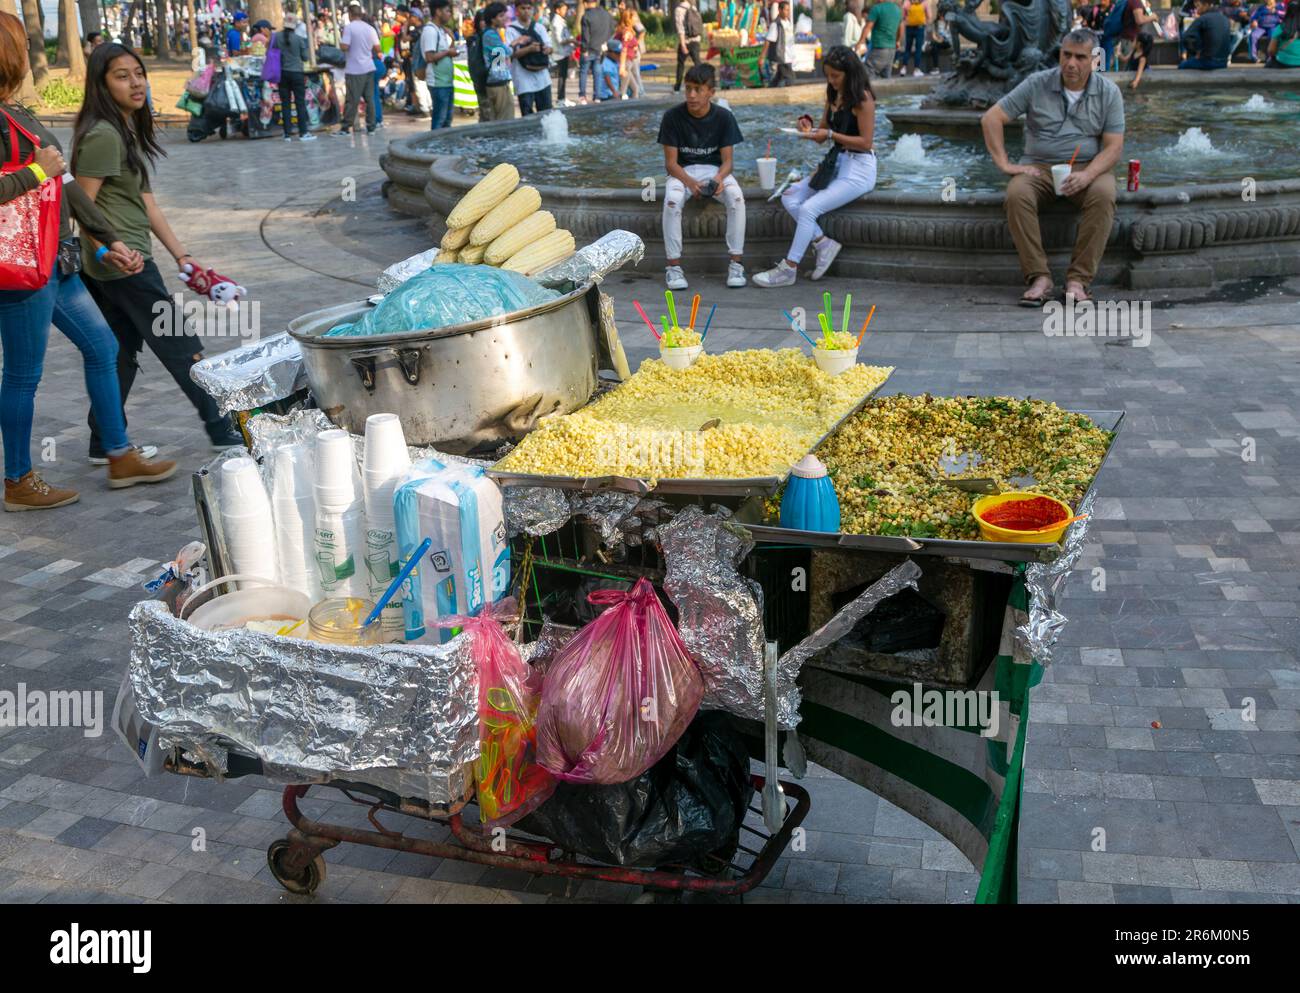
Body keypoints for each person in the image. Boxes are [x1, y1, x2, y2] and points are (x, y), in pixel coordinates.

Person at [0, 15, 176, 509]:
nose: (31, 46)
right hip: (21, 269)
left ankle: (119, 454)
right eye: (23, 42)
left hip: (56, 262)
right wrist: (37, 170)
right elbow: (48, 175)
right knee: (21, 375)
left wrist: (108, 238)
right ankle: (18, 479)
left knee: (102, 345)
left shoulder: (17, 112)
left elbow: (69, 184)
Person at [70, 44, 243, 469]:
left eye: (138, 73)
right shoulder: (103, 135)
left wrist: (184, 258)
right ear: (101, 84)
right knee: (180, 343)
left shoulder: (122, 129)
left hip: (122, 260)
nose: (135, 83)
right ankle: (222, 428)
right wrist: (107, 250)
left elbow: (146, 202)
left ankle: (102, 439)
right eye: (121, 75)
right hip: (123, 264)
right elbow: (80, 207)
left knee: (120, 353)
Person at [980, 28, 1123, 306]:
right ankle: (1039, 277)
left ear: (1094, 59)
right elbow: (991, 119)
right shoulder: (1037, 83)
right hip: (1038, 167)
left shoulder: (1109, 92)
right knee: (1017, 194)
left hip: (1087, 167)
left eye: (1080, 57)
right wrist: (1005, 164)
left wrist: (1088, 175)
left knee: (1104, 194)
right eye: (1066, 55)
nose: (1071, 63)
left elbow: (1114, 148)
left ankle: (1078, 281)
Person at [754, 46, 876, 288]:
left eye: (836, 76)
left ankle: (788, 269)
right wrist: (806, 128)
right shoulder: (833, 94)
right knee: (789, 196)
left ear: (849, 73)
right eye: (828, 75)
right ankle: (823, 243)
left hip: (860, 168)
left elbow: (866, 142)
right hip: (837, 162)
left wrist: (830, 134)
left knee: (809, 208)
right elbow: (822, 133)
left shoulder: (863, 99)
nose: (831, 81)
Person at [657, 62, 747, 290]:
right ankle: (673, 267)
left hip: (714, 171)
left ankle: (736, 264)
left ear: (711, 92)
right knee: (671, 201)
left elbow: (728, 162)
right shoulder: (672, 117)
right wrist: (691, 184)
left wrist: (717, 180)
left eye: (698, 89)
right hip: (683, 173)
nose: (692, 95)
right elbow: (671, 164)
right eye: (688, 89)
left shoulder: (724, 117)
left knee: (736, 197)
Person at [337, 1, 382, 134]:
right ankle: (371, 127)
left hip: (354, 69)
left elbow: (345, 46)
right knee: (370, 99)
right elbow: (378, 48)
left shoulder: (349, 28)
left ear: (350, 14)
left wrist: (341, 43)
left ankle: (345, 128)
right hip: (369, 67)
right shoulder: (370, 28)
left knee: (352, 100)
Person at [271, 15, 316, 141]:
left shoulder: (276, 37)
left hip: (282, 73)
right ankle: (303, 132)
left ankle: (286, 133)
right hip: (296, 73)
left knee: (285, 103)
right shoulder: (299, 39)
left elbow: (273, 53)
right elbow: (305, 57)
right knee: (299, 103)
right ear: (295, 25)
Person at [508, 0, 554, 115]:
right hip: (523, 81)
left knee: (547, 114)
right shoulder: (511, 30)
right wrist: (529, 49)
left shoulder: (539, 27)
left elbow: (551, 47)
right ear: (517, 10)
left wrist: (546, 49)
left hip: (543, 78)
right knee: (527, 115)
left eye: (529, 8)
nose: (526, 11)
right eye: (523, 8)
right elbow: (509, 54)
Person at [422, 0, 459, 128]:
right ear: (438, 12)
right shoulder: (430, 31)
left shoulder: (441, 30)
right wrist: (449, 52)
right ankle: (434, 147)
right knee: (439, 120)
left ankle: (445, 147)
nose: (450, 14)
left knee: (447, 120)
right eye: (447, 11)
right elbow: (429, 57)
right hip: (438, 83)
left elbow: (445, 51)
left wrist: (452, 40)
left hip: (446, 82)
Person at [479, 2, 516, 120]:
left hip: (498, 81)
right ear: (492, 19)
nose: (505, 18)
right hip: (497, 84)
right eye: (501, 15)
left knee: (499, 118)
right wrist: (516, 43)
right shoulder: (490, 34)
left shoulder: (493, 33)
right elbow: (507, 52)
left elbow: (498, 60)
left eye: (504, 14)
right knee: (505, 119)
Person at [1180, 0, 1233, 66]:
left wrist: (1195, 52)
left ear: (1206, 5)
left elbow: (1186, 37)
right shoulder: (1225, 18)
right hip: (1223, 62)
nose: (1196, 9)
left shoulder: (1202, 19)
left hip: (1208, 62)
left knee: (1182, 65)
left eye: (1198, 6)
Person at [580, 0, 614, 102]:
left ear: (586, 3)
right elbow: (612, 29)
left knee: (583, 72)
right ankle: (597, 97)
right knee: (598, 73)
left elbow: (586, 35)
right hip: (601, 48)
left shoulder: (586, 16)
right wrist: (605, 41)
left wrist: (584, 49)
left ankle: (583, 96)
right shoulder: (606, 14)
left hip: (589, 48)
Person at [860, 0, 904, 78]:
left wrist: (861, 42)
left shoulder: (877, 8)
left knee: (867, 74)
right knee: (886, 78)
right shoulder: (897, 10)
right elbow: (901, 29)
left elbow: (868, 27)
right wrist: (898, 41)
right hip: (891, 50)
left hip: (879, 48)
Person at [762, 0, 796, 86]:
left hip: (788, 56)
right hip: (781, 57)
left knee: (776, 80)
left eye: (788, 10)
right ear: (780, 10)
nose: (788, 12)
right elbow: (768, 41)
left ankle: (771, 94)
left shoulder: (788, 23)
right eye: (786, 10)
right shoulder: (776, 25)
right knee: (790, 79)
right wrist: (762, 57)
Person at [673, 0, 703, 91]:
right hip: (696, 39)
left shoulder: (679, 9)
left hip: (685, 40)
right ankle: (702, 83)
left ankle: (677, 86)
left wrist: (683, 44)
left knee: (681, 64)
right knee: (697, 63)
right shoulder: (693, 7)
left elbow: (680, 27)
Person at [551, 1, 576, 104]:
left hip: (563, 52)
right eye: (564, 9)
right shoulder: (556, 22)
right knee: (562, 76)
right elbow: (560, 40)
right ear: (557, 10)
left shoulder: (560, 20)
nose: (565, 11)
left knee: (563, 76)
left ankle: (562, 98)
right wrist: (572, 41)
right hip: (559, 53)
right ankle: (560, 99)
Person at [616, 6, 645, 98]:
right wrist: (622, 66)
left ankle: (633, 110)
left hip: (630, 61)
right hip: (626, 62)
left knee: (635, 89)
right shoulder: (627, 33)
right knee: (623, 92)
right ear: (629, 18)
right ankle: (620, 109)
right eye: (634, 17)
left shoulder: (629, 30)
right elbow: (624, 50)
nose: (636, 19)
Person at [899, 0, 928, 76]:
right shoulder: (924, 2)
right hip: (920, 27)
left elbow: (902, 16)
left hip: (909, 27)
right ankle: (916, 69)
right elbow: (929, 16)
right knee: (918, 49)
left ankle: (903, 68)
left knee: (907, 48)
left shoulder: (907, 2)